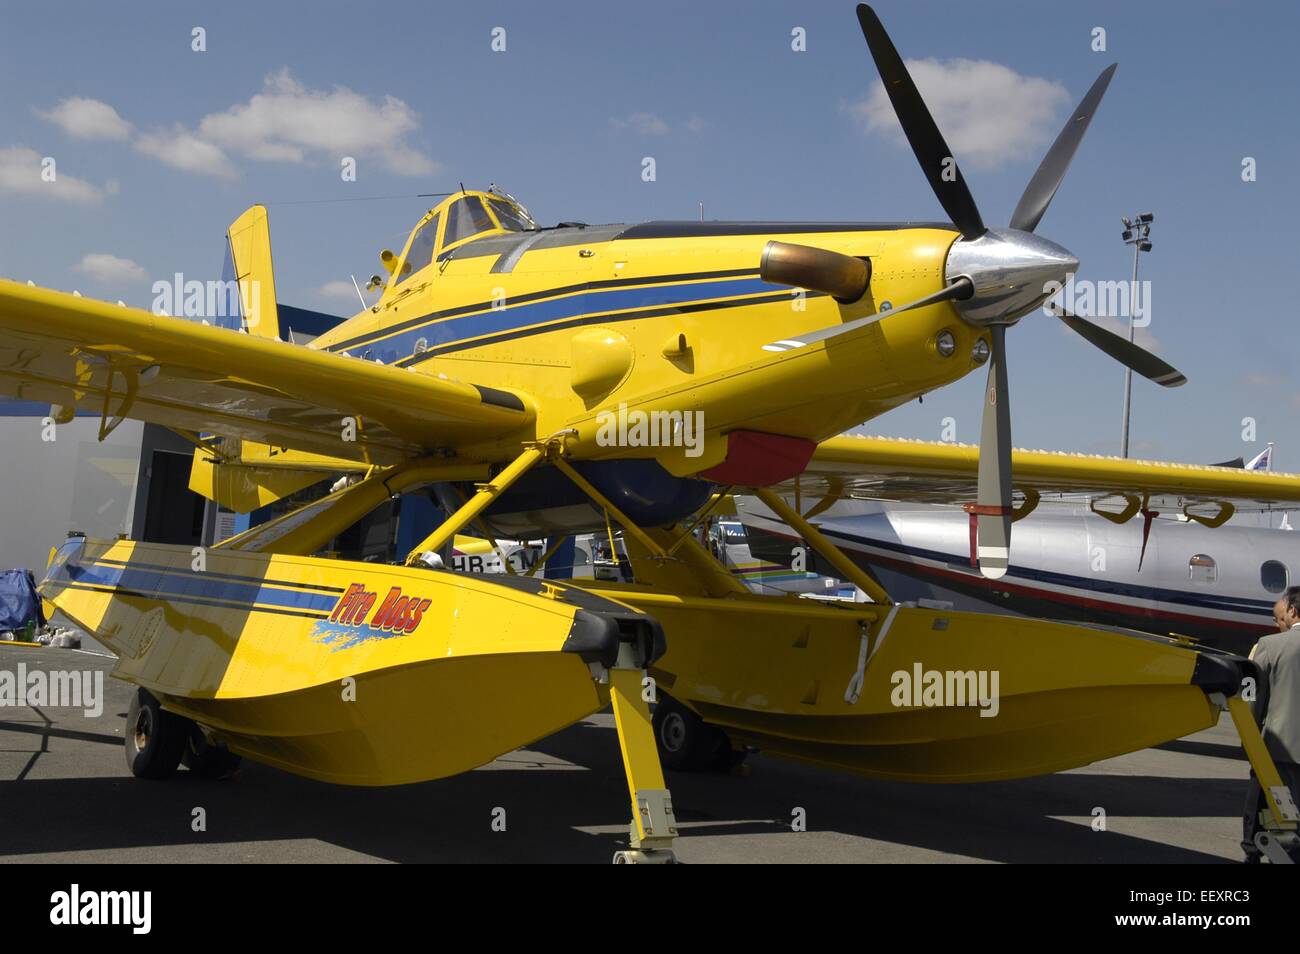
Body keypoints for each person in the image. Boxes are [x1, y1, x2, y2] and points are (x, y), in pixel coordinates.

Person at [1241, 585, 1300, 861]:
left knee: (1265, 805)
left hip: (1277, 748)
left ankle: (1254, 853)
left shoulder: (1270, 645)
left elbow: (1253, 697)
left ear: (1292, 611)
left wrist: (1248, 738)